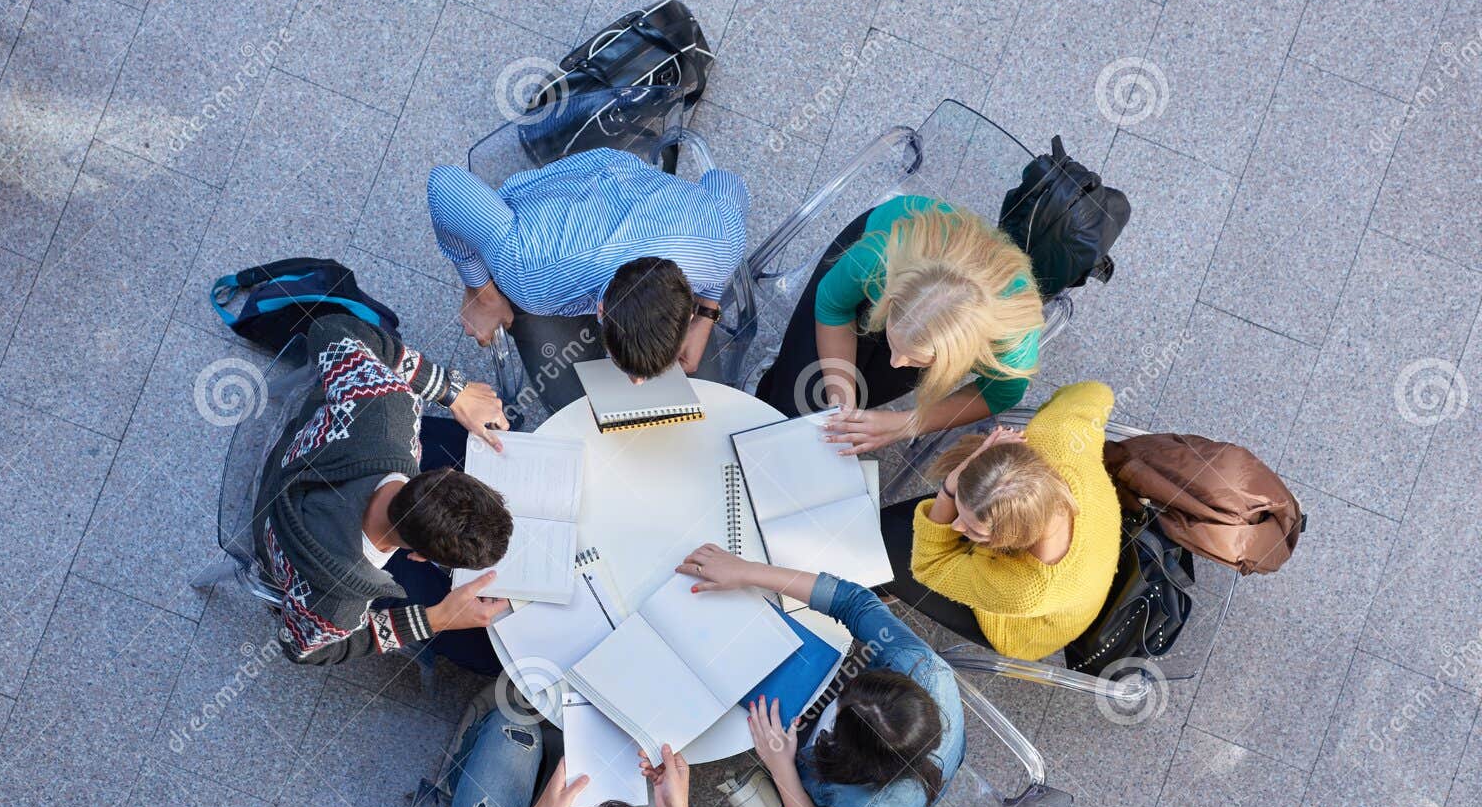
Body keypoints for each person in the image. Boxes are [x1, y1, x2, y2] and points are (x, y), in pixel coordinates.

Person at [675, 545, 965, 807]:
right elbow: (854, 602)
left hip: (821, 772)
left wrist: (781, 769)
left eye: (839, 712)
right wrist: (748, 571)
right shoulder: (924, 669)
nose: (838, 699)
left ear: (847, 749)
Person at [252, 312, 516, 673]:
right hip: (271, 533)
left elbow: (330, 327)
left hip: (301, 455)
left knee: (458, 438)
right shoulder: (339, 604)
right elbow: (304, 650)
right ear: (420, 557)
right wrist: (436, 619)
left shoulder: (389, 405)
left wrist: (449, 391)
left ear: (445, 472)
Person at [427, 147, 750, 411]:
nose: (637, 383)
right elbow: (445, 185)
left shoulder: (722, 241)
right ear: (600, 311)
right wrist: (481, 291)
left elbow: (728, 182)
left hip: (631, 195)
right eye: (628, 369)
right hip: (559, 207)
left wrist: (708, 313)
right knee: (569, 405)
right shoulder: (529, 269)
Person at [753, 195, 1043, 456]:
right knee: (794, 400)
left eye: (914, 359)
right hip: (881, 257)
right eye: (894, 344)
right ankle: (774, 385)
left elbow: (1001, 393)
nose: (896, 362)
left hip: (922, 320)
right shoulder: (877, 257)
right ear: (889, 300)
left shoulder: (1013, 339)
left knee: (863, 391)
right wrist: (844, 405)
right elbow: (833, 307)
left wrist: (905, 424)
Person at [877, 381, 1122, 661]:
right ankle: (887, 583)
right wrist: (964, 477)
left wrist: (948, 491)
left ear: (1012, 542)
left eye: (973, 531)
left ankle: (880, 587)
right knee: (892, 530)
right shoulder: (1056, 436)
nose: (957, 527)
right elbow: (1097, 391)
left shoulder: (1028, 590)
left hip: (1021, 626)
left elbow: (928, 566)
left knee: (881, 548)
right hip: (1091, 555)